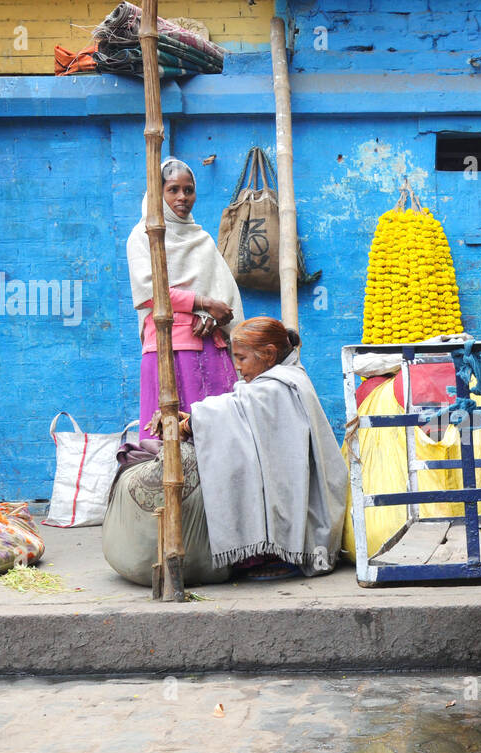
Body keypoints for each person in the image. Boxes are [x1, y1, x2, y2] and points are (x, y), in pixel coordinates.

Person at [185, 318, 348, 580]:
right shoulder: (287, 377)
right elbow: (240, 405)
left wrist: (194, 419)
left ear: (270, 355)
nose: (237, 368)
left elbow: (238, 405)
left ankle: (279, 553)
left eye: (241, 358)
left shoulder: (278, 386)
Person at [127, 157, 243, 434]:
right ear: (158, 193)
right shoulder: (142, 237)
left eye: (188, 190)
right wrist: (203, 304)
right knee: (168, 439)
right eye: (173, 190)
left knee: (219, 434)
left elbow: (222, 294)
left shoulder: (201, 239)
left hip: (210, 348)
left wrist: (215, 315)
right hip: (167, 351)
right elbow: (151, 292)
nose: (182, 197)